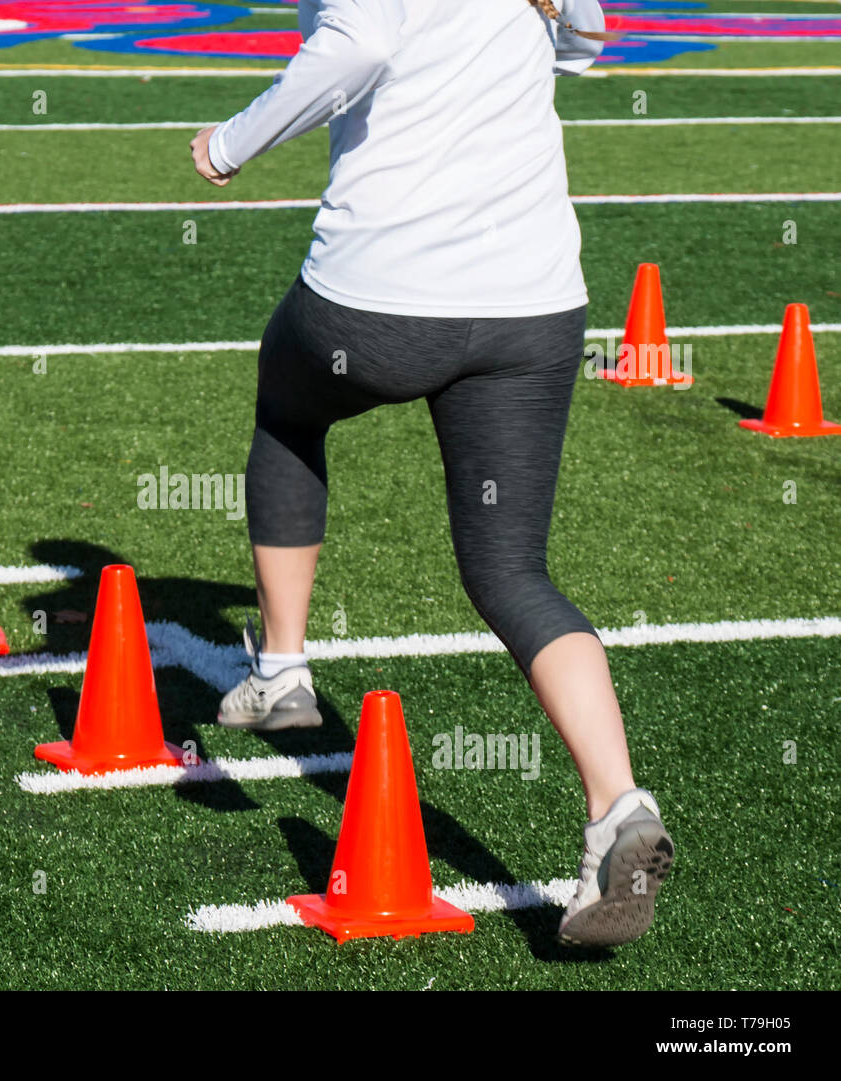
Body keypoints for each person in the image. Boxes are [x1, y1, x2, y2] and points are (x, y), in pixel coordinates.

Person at [188, 0, 673, 947]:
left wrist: (231, 142)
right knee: (510, 572)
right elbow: (583, 40)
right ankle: (618, 802)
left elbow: (359, 42)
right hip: (532, 306)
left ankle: (282, 669)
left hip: (383, 300)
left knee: (288, 411)